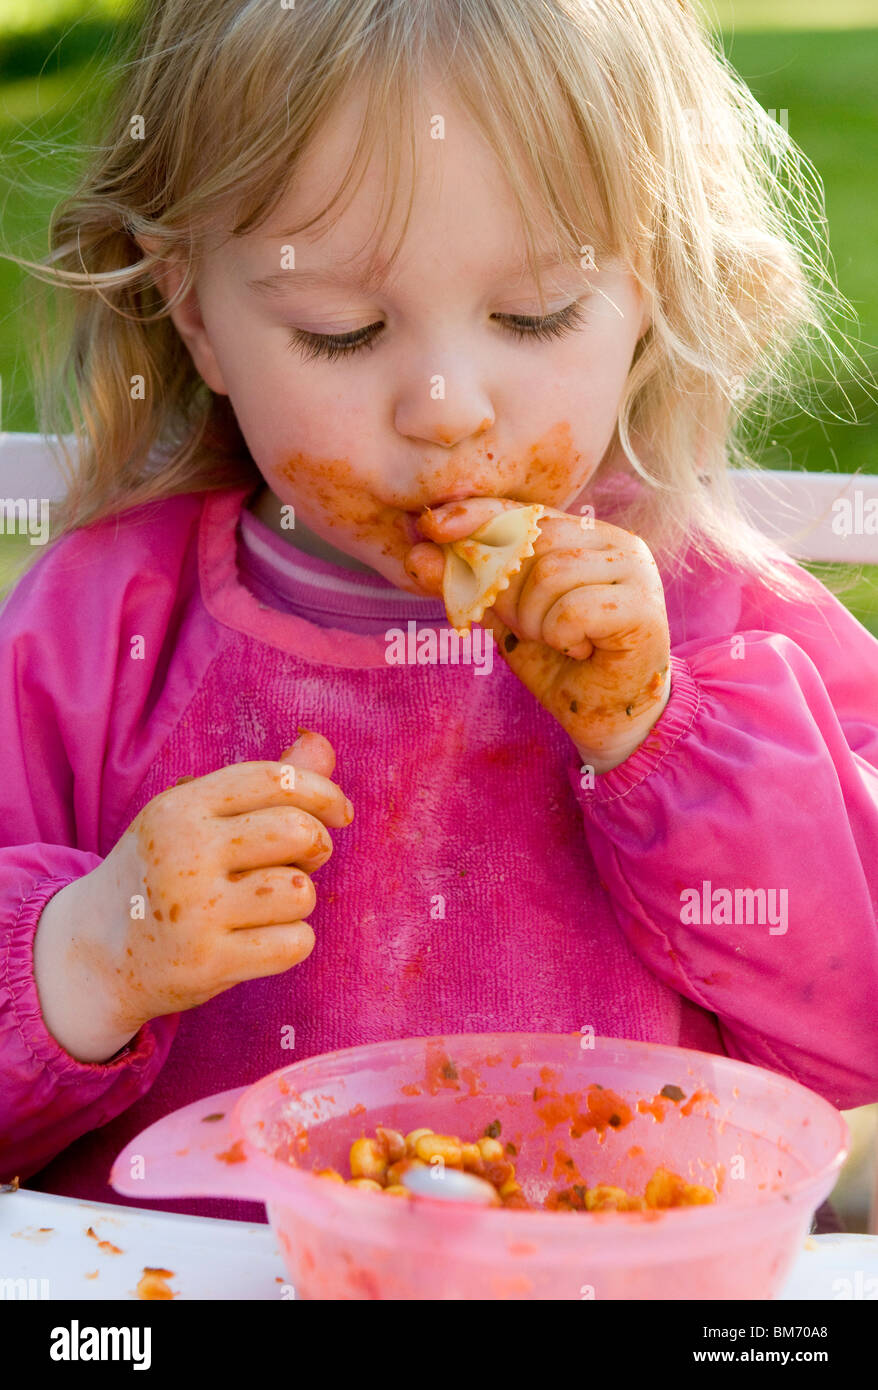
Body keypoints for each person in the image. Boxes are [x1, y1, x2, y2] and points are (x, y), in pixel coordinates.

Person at [0, 0, 875, 1228]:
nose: (445, 408)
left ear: (649, 292)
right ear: (194, 314)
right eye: (340, 331)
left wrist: (660, 735)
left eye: (533, 317)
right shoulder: (96, 636)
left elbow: (857, 1021)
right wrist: (84, 954)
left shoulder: (717, 617)